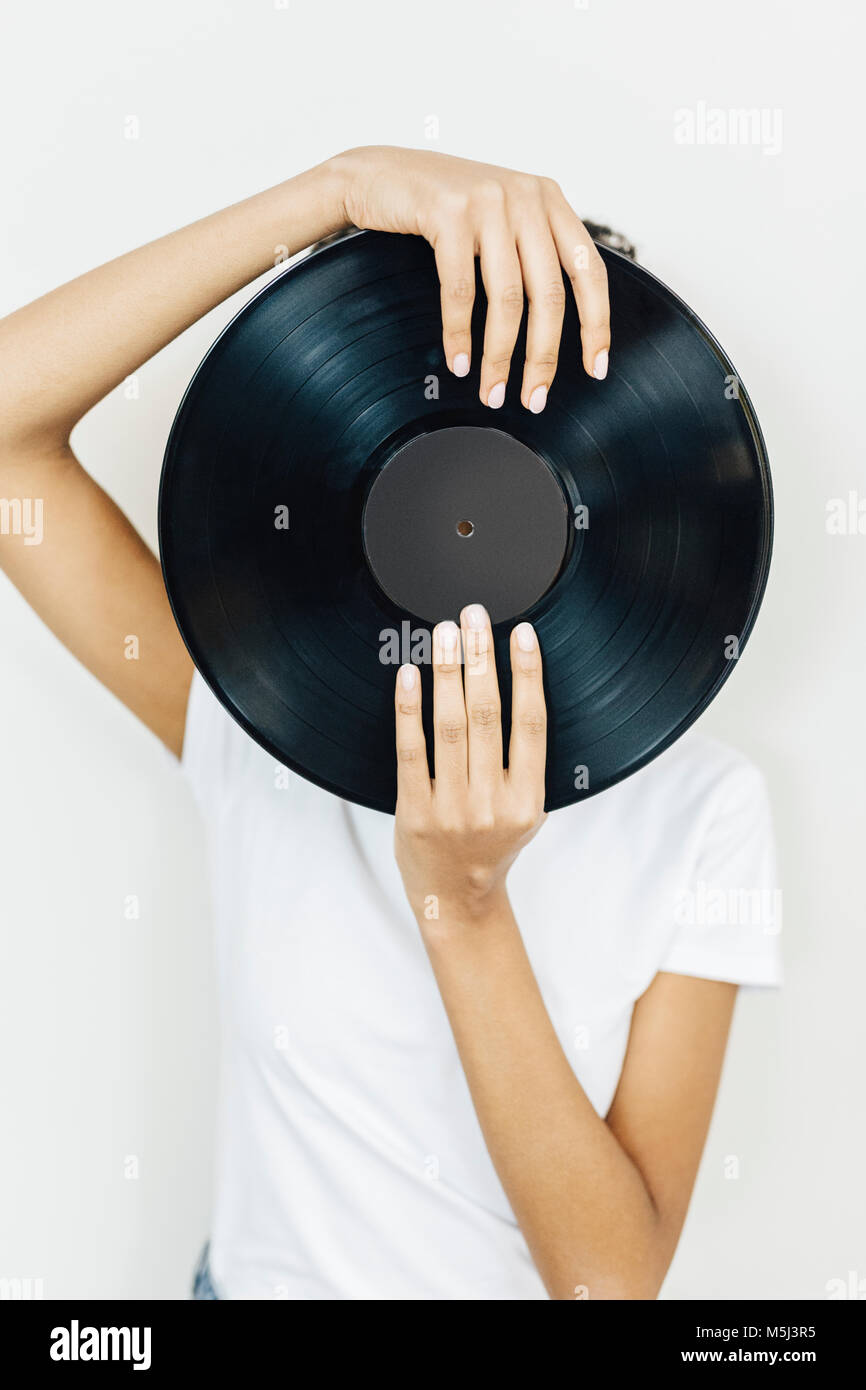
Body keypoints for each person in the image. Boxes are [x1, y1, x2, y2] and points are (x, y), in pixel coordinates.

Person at [0, 146, 780, 1301]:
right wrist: (335, 191)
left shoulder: (705, 810)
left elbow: (607, 1285)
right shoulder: (261, 716)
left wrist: (462, 906)